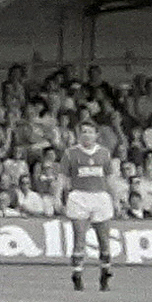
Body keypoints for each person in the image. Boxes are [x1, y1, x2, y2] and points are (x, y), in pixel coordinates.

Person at [62, 117, 117, 292]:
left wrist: (115, 199)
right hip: (79, 196)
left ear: (96, 135)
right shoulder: (70, 153)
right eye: (83, 132)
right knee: (80, 238)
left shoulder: (104, 153)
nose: (86, 135)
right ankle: (77, 275)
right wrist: (57, 197)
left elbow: (110, 179)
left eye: (90, 132)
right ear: (79, 135)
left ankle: (105, 275)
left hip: (100, 196)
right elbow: (63, 178)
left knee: (104, 240)